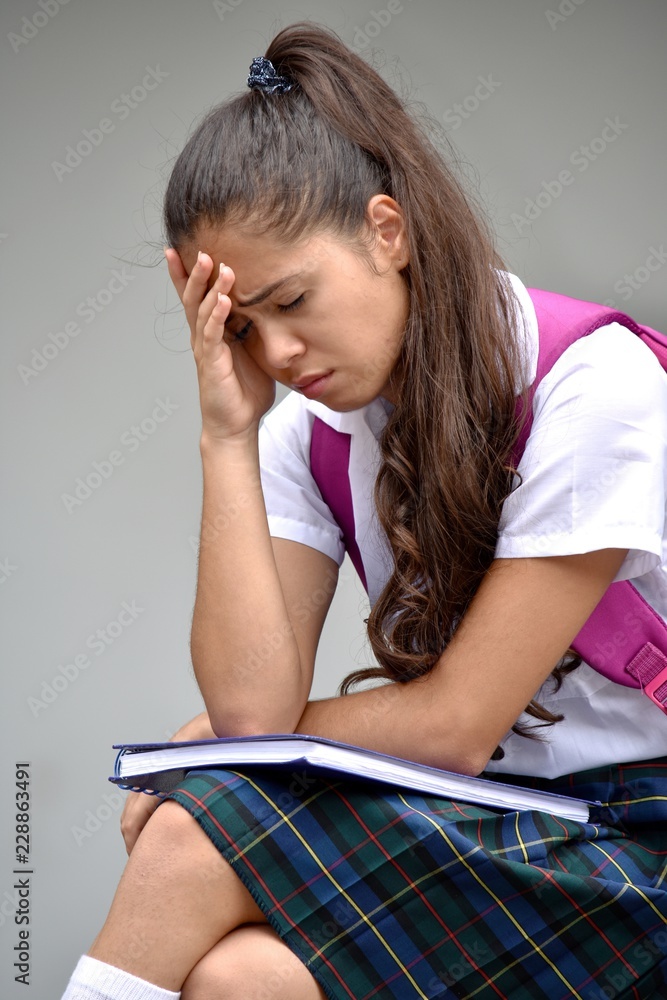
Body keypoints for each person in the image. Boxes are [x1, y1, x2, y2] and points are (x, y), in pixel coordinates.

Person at [61, 20, 667, 1000]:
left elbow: (457, 722)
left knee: (192, 826)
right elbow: (255, 707)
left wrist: (224, 749)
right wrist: (225, 434)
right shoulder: (309, 434)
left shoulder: (592, 387)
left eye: (293, 299)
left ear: (388, 232)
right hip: (494, 818)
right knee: (238, 978)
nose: (279, 353)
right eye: (244, 327)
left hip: (633, 840)